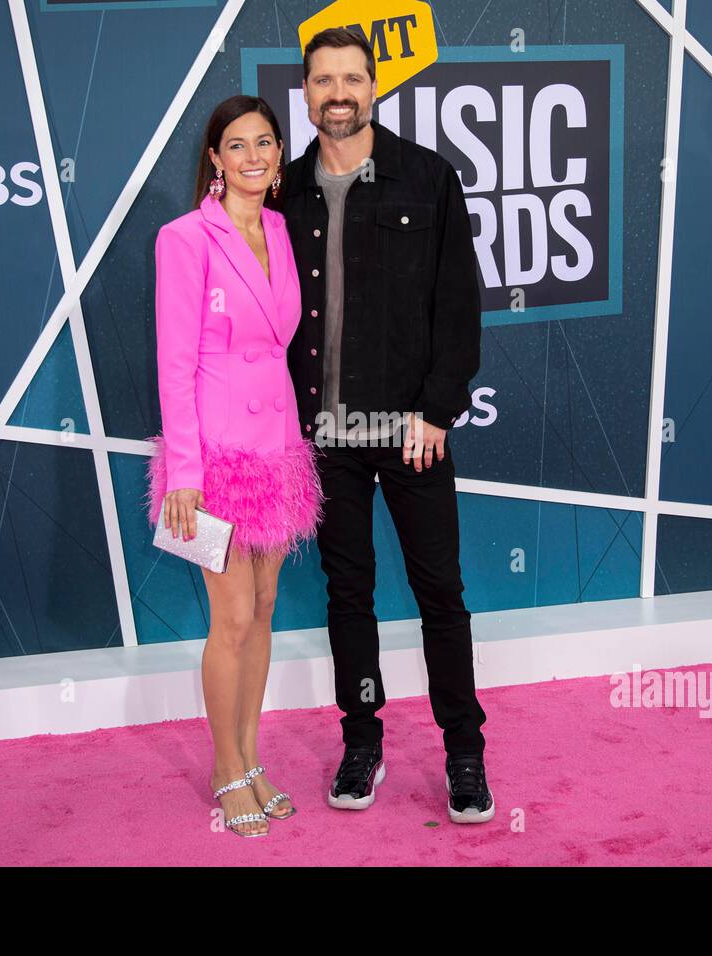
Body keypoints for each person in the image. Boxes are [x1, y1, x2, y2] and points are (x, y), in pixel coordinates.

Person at [281, 28, 495, 823]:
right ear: (305, 92)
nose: (339, 92)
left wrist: (437, 410)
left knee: (441, 592)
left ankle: (464, 752)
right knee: (350, 596)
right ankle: (362, 740)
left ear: (375, 87)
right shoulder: (285, 189)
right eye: (323, 80)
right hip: (324, 439)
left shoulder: (427, 178)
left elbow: (459, 306)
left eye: (352, 79)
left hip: (412, 431)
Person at [146, 95, 324, 838]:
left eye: (266, 143)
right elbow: (174, 360)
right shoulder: (185, 238)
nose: (254, 156)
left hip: (278, 451)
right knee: (235, 618)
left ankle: (251, 760)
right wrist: (184, 471)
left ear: (280, 154)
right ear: (214, 159)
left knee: (268, 614)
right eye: (237, 145)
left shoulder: (282, 230)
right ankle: (226, 771)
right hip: (212, 460)